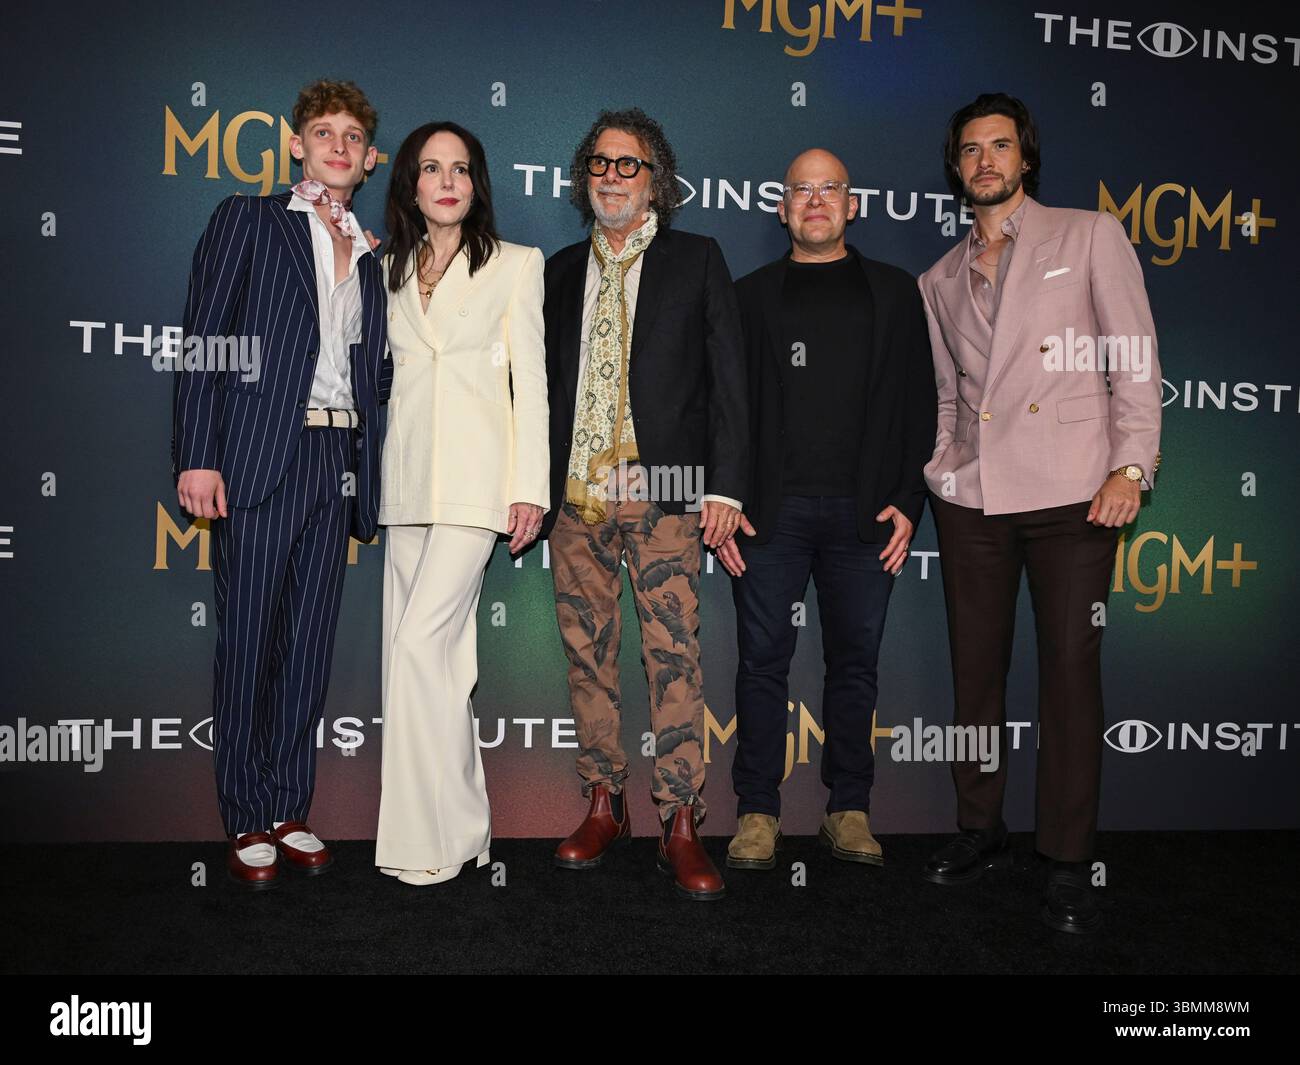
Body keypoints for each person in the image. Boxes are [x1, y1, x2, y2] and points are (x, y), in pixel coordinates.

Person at [917, 93, 1162, 933]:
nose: (986, 160)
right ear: (956, 165)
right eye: (972, 150)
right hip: (974, 500)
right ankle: (980, 827)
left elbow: (1132, 357)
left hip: (1073, 493)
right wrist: (943, 471)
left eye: (1002, 146)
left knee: (1067, 673)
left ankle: (1066, 855)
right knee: (974, 675)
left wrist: (1132, 463)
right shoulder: (937, 278)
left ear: (1025, 158)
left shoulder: (1088, 234)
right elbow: (950, 396)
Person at [172, 79, 390, 889]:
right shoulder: (249, 219)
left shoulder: (370, 256)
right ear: (296, 143)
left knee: (306, 648)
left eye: (354, 135)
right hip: (261, 453)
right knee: (250, 643)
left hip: (335, 463)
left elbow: (376, 374)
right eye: (323, 131)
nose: (338, 144)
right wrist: (198, 453)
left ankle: (292, 807)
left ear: (369, 160)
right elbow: (204, 340)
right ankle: (246, 813)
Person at [541, 108, 747, 901]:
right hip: (577, 499)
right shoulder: (558, 271)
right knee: (586, 655)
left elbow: (729, 381)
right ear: (583, 175)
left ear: (655, 176)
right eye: (599, 164)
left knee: (674, 657)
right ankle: (604, 799)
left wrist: (722, 486)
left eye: (628, 165)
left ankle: (680, 817)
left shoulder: (695, 259)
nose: (612, 177)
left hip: (661, 493)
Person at [719, 149, 935, 871]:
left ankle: (849, 808)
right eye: (801, 190)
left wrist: (909, 502)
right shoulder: (747, 295)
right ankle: (756, 811)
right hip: (769, 518)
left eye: (830, 189)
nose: (815, 200)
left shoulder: (898, 293)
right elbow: (725, 408)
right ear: (782, 208)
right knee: (761, 664)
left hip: (865, 516)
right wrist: (728, 498)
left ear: (852, 205)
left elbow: (920, 405)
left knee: (856, 665)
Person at [372, 122, 548, 887]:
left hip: (477, 486)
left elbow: (532, 386)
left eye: (463, 169)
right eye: (433, 168)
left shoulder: (515, 265)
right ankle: (463, 831)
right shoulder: (386, 266)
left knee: (420, 652)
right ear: (411, 182)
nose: (449, 181)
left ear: (477, 184)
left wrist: (530, 486)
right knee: (431, 663)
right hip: (405, 484)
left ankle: (426, 842)